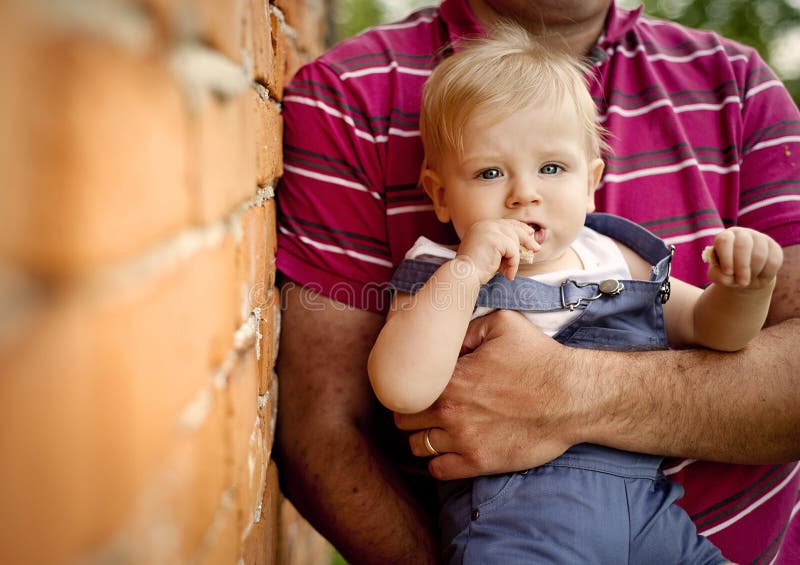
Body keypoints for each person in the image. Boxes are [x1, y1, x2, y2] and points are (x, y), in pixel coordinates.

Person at [274, 1, 800, 563]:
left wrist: (744, 290)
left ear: (592, 182)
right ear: (440, 195)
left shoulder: (617, 256)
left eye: (552, 169)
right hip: (520, 523)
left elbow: (709, 329)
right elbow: (401, 387)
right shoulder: (440, 271)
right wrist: (468, 271)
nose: (525, 193)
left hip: (650, 515)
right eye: (489, 173)